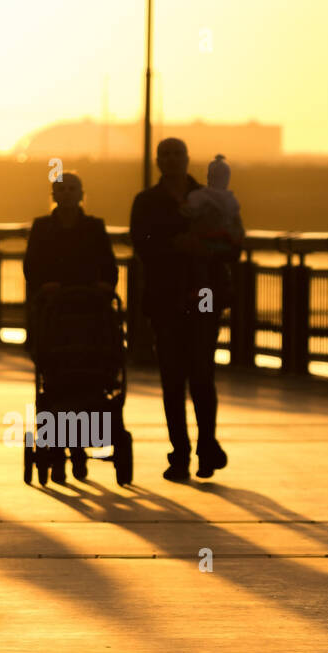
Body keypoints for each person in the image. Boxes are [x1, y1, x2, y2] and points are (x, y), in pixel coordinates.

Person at [130, 138, 241, 482]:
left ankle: (206, 446)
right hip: (166, 299)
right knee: (172, 380)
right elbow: (141, 246)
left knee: (202, 376)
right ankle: (180, 453)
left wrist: (206, 248)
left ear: (187, 158)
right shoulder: (147, 202)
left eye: (178, 153)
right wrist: (175, 246)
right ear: (157, 161)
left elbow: (233, 244)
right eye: (166, 154)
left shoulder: (211, 196)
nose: (173, 159)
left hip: (205, 295)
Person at [22, 172, 118, 480]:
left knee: (86, 378)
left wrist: (105, 285)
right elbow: (31, 267)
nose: (66, 194)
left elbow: (109, 264)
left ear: (81, 194)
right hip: (54, 314)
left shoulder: (94, 227)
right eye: (60, 189)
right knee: (57, 379)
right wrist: (43, 285)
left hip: (89, 312)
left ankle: (73, 450)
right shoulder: (42, 227)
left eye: (72, 189)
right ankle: (66, 452)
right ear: (54, 194)